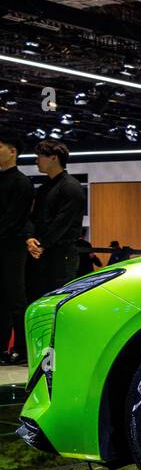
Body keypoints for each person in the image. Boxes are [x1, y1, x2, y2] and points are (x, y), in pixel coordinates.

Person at [24, 140, 85, 300]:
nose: (36, 160)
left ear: (54, 158)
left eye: (40, 156)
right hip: (41, 253)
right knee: (37, 298)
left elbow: (62, 223)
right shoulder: (44, 189)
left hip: (61, 255)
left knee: (57, 299)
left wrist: (41, 244)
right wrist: (30, 239)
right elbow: (33, 218)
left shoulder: (71, 187)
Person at [0, 132, 34, 365]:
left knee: (15, 299)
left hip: (12, 247)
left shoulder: (22, 182)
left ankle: (21, 349)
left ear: (12, 151)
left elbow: (13, 219)